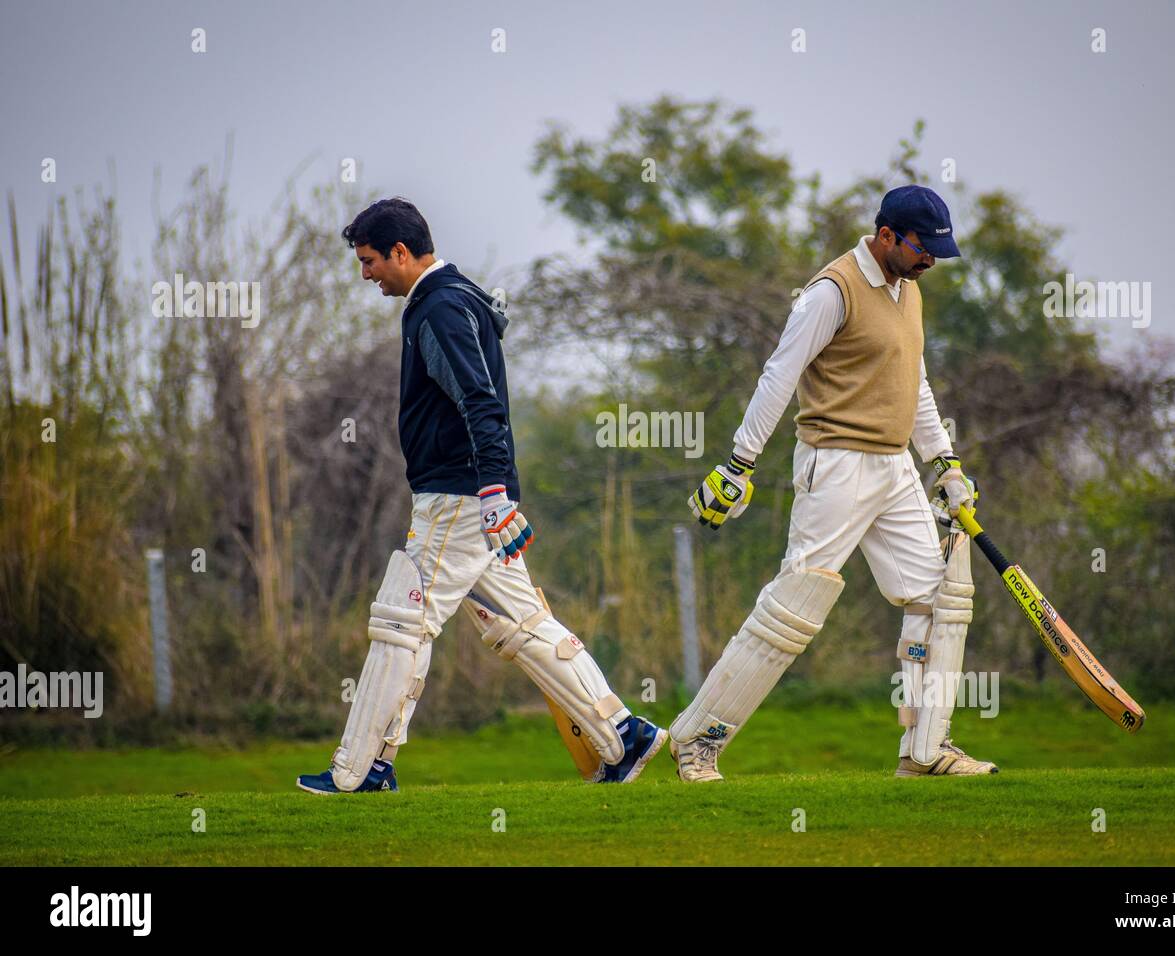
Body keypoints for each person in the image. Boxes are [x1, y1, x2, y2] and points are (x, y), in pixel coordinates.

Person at [297, 198, 665, 793]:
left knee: (402, 623)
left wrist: (493, 491)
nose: (365, 274)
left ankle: (362, 770)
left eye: (369, 262)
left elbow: (479, 400)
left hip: (458, 497)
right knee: (520, 625)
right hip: (475, 497)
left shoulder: (439, 308)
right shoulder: (455, 298)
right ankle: (625, 737)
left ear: (400, 252)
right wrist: (498, 494)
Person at [673, 185, 998, 780]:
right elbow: (780, 374)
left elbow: (914, 382)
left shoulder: (909, 291)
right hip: (836, 463)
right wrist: (740, 462)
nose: (931, 261)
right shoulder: (832, 290)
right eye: (924, 249)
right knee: (794, 608)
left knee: (939, 599)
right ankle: (698, 740)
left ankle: (926, 751)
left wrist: (944, 462)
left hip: (896, 466)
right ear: (887, 236)